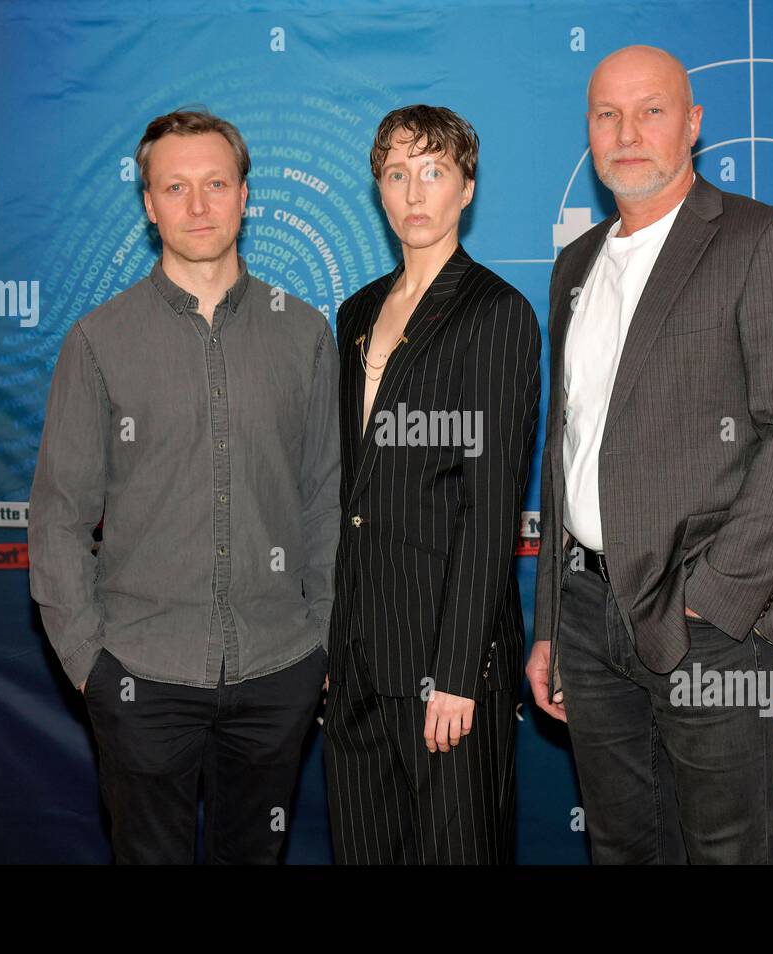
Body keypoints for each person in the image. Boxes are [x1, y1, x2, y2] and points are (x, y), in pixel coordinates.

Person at [526, 46, 773, 864]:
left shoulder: (762, 239)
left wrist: (712, 597)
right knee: (622, 844)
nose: (627, 132)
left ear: (693, 125)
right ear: (589, 132)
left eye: (651, 110)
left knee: (727, 847)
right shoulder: (574, 266)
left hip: (709, 620)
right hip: (590, 617)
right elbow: (569, 449)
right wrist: (552, 621)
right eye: (607, 115)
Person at [28, 108, 339, 864]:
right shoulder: (99, 341)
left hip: (278, 670)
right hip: (140, 675)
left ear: (243, 195)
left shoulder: (303, 334)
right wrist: (90, 665)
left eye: (215, 184)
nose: (197, 206)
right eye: (175, 187)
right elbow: (58, 517)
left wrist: (323, 647)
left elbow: (324, 501)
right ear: (148, 204)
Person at [322, 105, 542, 864]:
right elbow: (346, 492)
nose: (414, 190)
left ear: (466, 188)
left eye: (434, 171)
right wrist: (330, 645)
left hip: (445, 665)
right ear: (379, 191)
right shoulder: (353, 313)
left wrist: (458, 673)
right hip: (356, 653)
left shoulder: (496, 313)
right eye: (396, 173)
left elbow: (491, 508)